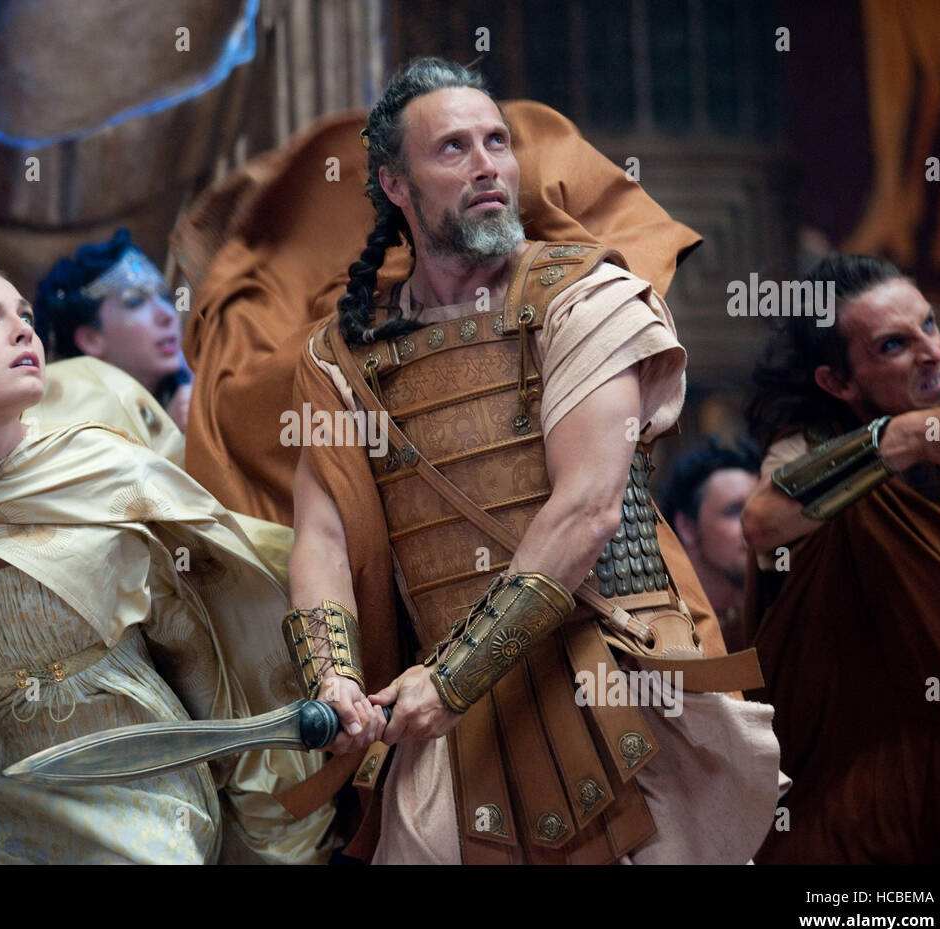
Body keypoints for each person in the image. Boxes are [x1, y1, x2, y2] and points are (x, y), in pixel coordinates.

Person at [284, 57, 781, 864]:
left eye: (497, 143)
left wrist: (452, 680)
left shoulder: (584, 297)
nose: (488, 166)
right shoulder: (342, 355)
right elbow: (324, 537)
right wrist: (334, 678)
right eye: (453, 149)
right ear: (397, 185)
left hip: (612, 680)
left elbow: (587, 509)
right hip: (445, 719)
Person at [0, 244, 331, 864]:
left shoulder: (101, 467)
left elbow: (197, 625)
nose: (21, 331)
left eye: (25, 315)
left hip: (141, 778)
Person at [741, 253, 940, 863]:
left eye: (929, 326)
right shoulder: (809, 449)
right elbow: (762, 522)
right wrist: (900, 439)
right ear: (839, 383)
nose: (931, 352)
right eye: (893, 345)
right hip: (862, 774)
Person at [35, 229, 193, 431]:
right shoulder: (72, 429)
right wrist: (169, 436)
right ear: (92, 339)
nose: (168, 315)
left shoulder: (204, 387)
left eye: (165, 297)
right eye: (135, 302)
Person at [657, 436, 761, 652]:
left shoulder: (767, 617)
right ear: (687, 527)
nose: (754, 525)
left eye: (758, 510)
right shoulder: (659, 626)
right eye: (734, 511)